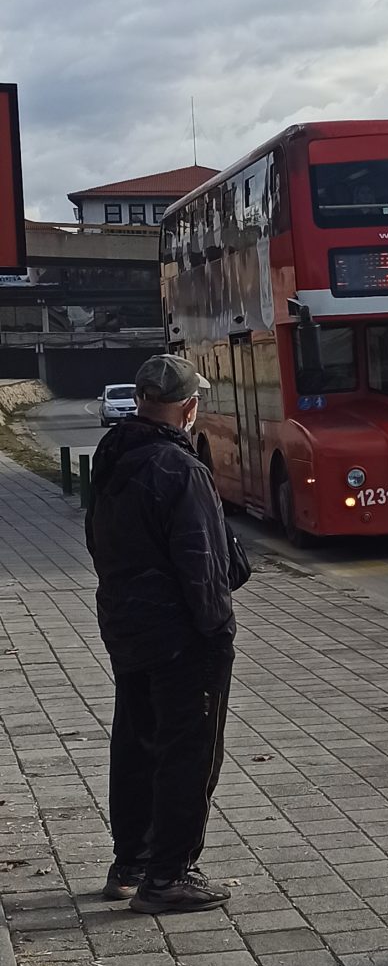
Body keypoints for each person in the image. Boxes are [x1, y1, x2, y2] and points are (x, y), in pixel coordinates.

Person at [85, 352, 245, 913]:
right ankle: (168, 876)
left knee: (136, 741)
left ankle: (130, 862)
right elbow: (203, 564)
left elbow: (96, 541)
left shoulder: (111, 457)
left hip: (126, 625)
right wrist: (217, 631)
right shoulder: (181, 469)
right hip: (183, 635)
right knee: (189, 750)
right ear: (189, 407)